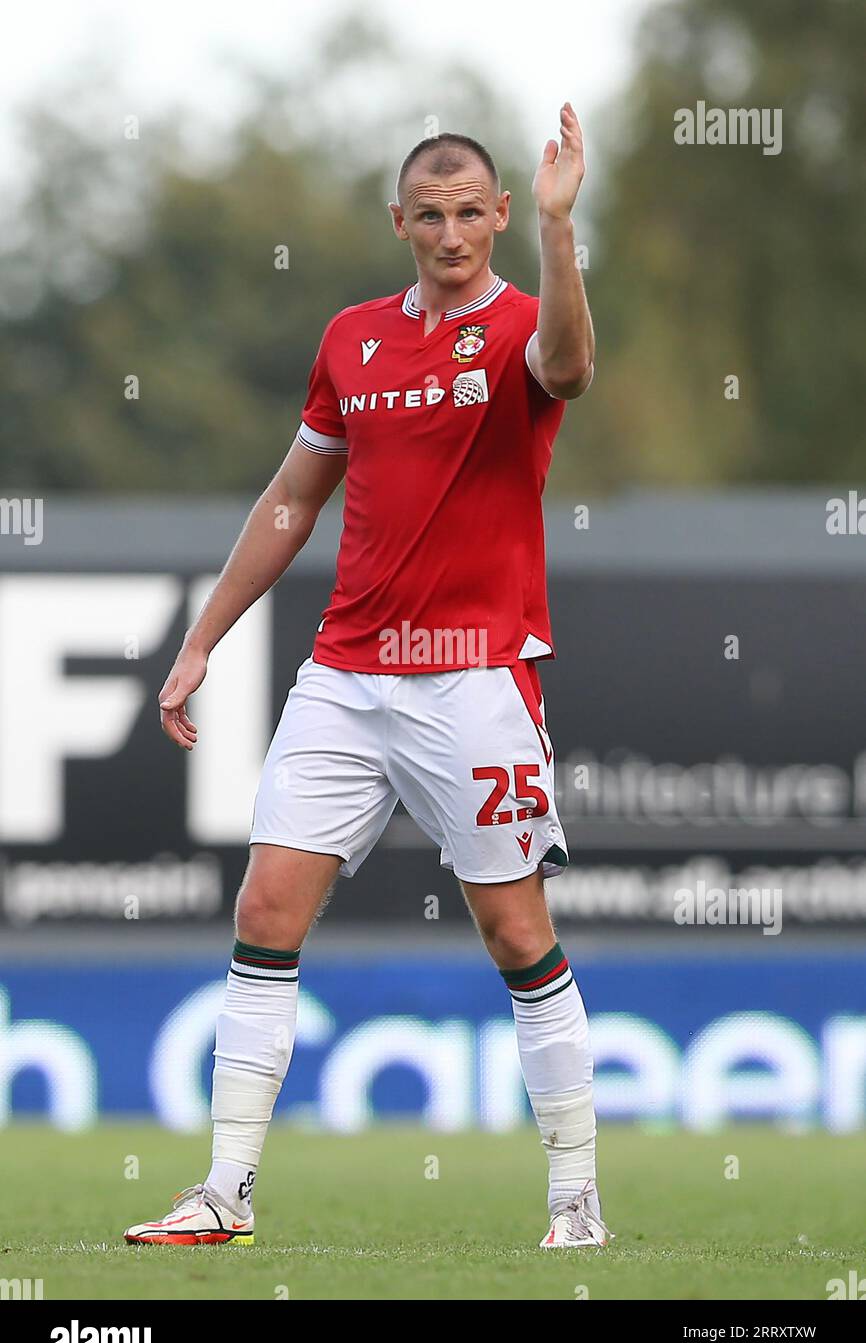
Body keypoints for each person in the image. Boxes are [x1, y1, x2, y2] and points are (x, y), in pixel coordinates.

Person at [124, 102, 610, 1250]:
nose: (450, 236)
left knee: (511, 931)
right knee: (264, 907)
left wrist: (559, 228)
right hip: (345, 674)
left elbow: (574, 369)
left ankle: (574, 1200)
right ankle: (224, 1190)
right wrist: (203, 638)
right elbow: (294, 498)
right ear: (399, 221)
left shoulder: (523, 326)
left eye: (470, 216)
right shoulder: (351, 340)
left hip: (475, 678)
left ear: (497, 214)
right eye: (429, 217)